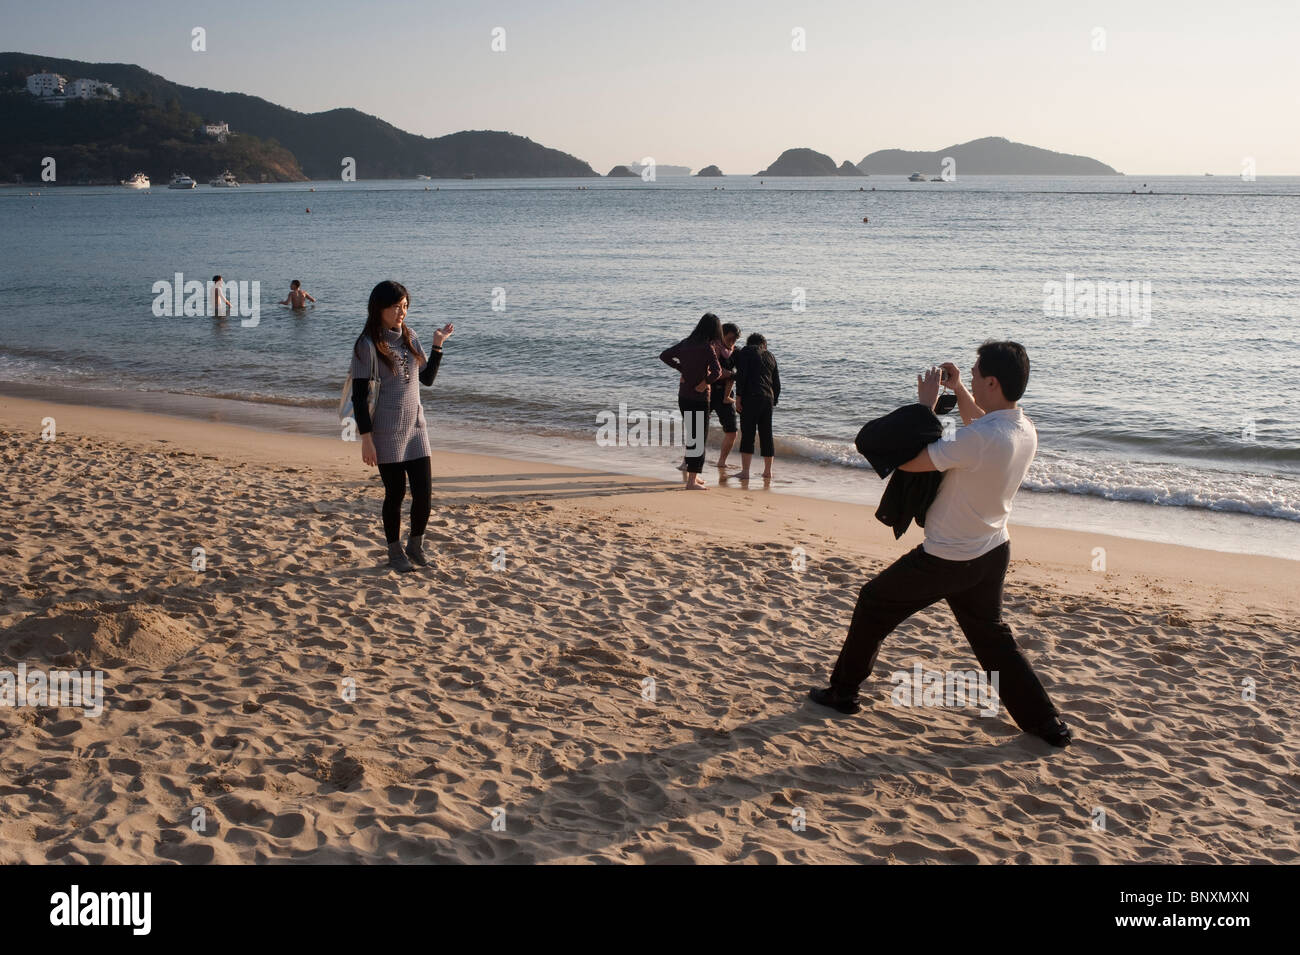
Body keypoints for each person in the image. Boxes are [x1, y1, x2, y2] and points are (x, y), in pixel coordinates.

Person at [809, 341, 1071, 748]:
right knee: (994, 641)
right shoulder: (1022, 428)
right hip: (992, 550)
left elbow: (912, 462)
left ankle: (843, 692)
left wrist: (924, 408)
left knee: (873, 602)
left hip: (949, 557)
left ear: (992, 382)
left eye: (974, 374)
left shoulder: (979, 439)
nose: (971, 379)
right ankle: (1047, 724)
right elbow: (979, 423)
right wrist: (960, 390)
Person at [350, 280, 454, 572]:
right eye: (396, 306)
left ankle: (415, 546)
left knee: (424, 495)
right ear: (379, 307)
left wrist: (437, 345)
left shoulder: (410, 336)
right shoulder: (367, 345)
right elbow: (359, 397)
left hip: (417, 428)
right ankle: (395, 552)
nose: (401, 312)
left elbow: (427, 379)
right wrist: (366, 439)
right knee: (395, 495)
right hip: (386, 431)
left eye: (405, 306)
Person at [659, 313, 724, 490]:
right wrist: (704, 384)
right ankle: (691, 481)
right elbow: (717, 372)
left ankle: (693, 477)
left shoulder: (685, 343)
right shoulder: (707, 347)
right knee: (699, 438)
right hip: (699, 398)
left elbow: (664, 355)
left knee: (692, 435)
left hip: (684, 396)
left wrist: (680, 368)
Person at [732, 333, 780, 480]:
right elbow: (776, 383)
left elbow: (742, 375)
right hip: (768, 399)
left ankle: (745, 472)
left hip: (750, 397)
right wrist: (773, 401)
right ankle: (768, 471)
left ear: (749, 343)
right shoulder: (770, 356)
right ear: (764, 344)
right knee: (766, 435)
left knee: (748, 434)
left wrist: (738, 397)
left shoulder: (746, 351)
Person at [711, 323, 741, 470]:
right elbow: (712, 370)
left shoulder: (736, 352)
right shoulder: (712, 348)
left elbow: (742, 370)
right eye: (730, 338)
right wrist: (731, 374)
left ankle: (722, 462)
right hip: (708, 391)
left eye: (735, 339)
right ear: (722, 334)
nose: (732, 342)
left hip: (725, 393)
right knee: (697, 429)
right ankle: (688, 461)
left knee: (732, 431)